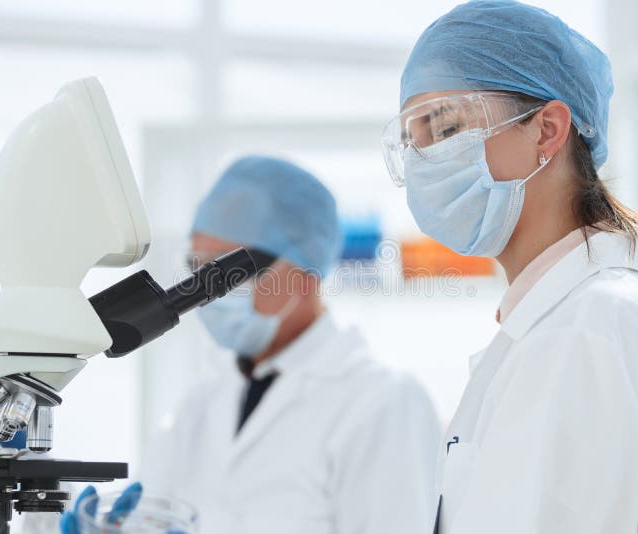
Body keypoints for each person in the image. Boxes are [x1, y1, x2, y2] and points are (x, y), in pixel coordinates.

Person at [380, 1, 638, 533]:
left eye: (446, 129)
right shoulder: (565, 320)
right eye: (413, 143)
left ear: (547, 130)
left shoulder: (593, 324)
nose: (425, 163)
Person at [138, 155, 441, 534]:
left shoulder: (384, 404)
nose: (207, 293)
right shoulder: (199, 405)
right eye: (197, 271)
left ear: (302, 274)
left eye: (226, 274)